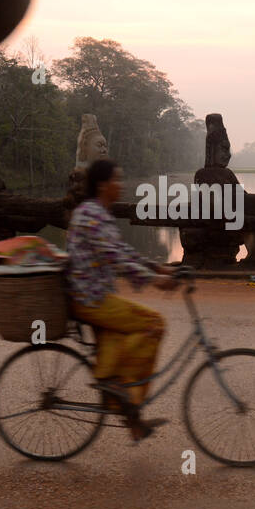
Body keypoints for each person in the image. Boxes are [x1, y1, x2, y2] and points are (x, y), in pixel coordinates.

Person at [66, 159, 181, 441]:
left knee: (128, 333)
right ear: (104, 185)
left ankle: (132, 417)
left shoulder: (98, 212)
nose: (122, 185)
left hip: (96, 296)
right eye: (117, 180)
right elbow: (113, 256)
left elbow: (123, 250)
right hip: (91, 299)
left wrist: (157, 267)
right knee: (153, 323)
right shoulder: (91, 214)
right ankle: (113, 382)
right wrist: (155, 280)